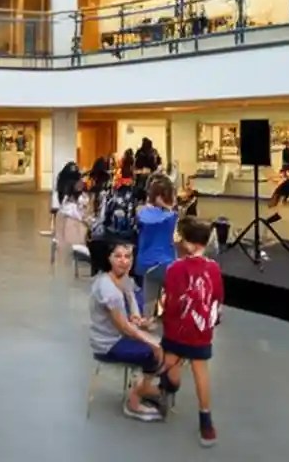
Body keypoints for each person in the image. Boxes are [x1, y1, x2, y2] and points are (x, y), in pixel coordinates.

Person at [160, 217, 224, 447]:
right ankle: (206, 421)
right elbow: (217, 299)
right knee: (201, 373)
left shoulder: (174, 268)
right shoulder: (214, 269)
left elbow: (169, 302)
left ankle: (166, 394)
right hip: (201, 332)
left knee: (169, 366)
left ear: (185, 243)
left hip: (176, 331)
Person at [88, 242, 164, 422]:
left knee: (161, 346)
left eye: (128, 256)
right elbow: (124, 328)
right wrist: (150, 341)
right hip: (108, 344)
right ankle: (134, 402)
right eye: (118, 256)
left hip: (119, 335)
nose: (124, 261)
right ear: (109, 258)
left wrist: (137, 317)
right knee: (153, 352)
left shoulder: (123, 278)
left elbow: (131, 297)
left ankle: (143, 386)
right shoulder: (108, 290)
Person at [135, 174, 179, 312]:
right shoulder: (172, 217)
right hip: (165, 265)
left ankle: (146, 319)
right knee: (176, 290)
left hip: (144, 264)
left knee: (149, 297)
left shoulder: (141, 212)